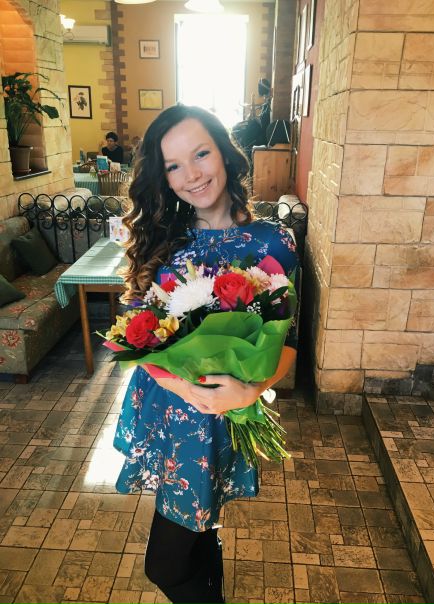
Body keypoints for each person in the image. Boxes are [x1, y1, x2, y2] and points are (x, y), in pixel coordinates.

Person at [114, 104, 299, 604]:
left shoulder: (274, 241)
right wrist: (182, 384)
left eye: (201, 154)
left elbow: (290, 345)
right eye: (173, 165)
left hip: (227, 413)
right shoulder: (164, 241)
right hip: (170, 412)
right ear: (163, 176)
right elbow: (137, 340)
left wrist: (249, 391)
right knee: (195, 535)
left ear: (224, 152)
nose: (191, 175)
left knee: (166, 564)